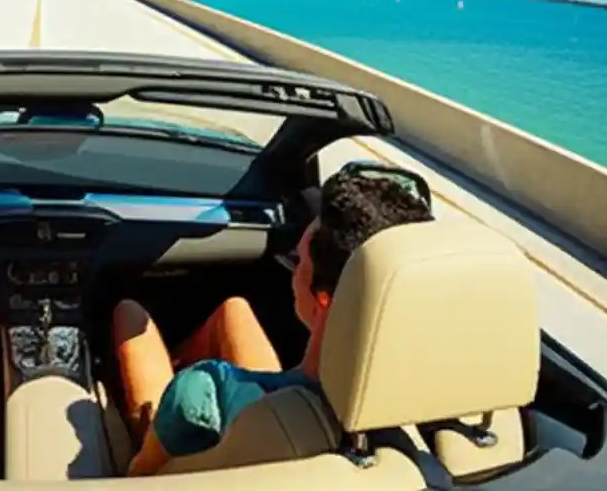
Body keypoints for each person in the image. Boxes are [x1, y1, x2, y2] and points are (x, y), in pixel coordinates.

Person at [112, 171, 433, 475]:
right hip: (290, 412)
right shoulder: (401, 441)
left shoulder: (202, 392)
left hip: (204, 446)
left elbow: (141, 477)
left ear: (323, 299)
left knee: (128, 314)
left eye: (300, 260)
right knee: (234, 309)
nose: (293, 259)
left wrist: (164, 415)